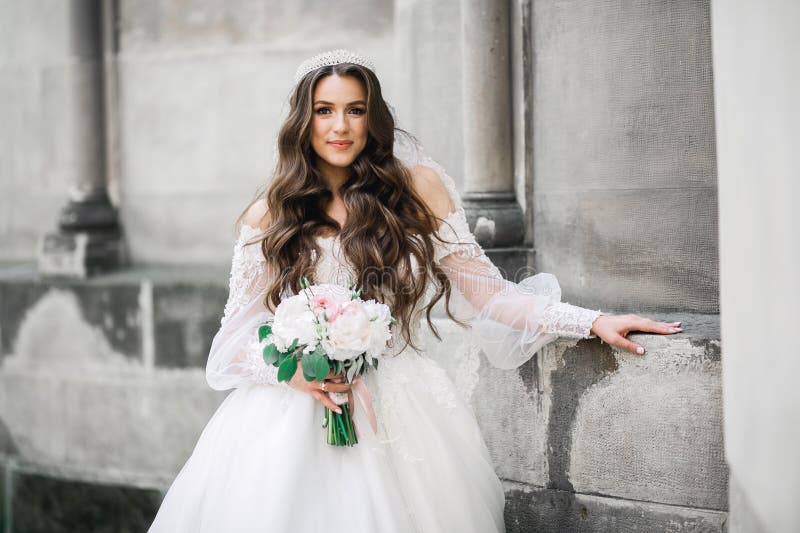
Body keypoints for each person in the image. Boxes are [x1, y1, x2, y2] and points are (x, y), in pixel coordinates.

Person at [148, 49, 681, 533]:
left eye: (355, 110)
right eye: (325, 110)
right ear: (302, 120)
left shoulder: (417, 189)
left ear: (372, 119)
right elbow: (230, 346)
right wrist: (294, 371)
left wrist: (589, 321)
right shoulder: (271, 213)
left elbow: (492, 295)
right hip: (288, 418)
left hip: (402, 408)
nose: (340, 126)